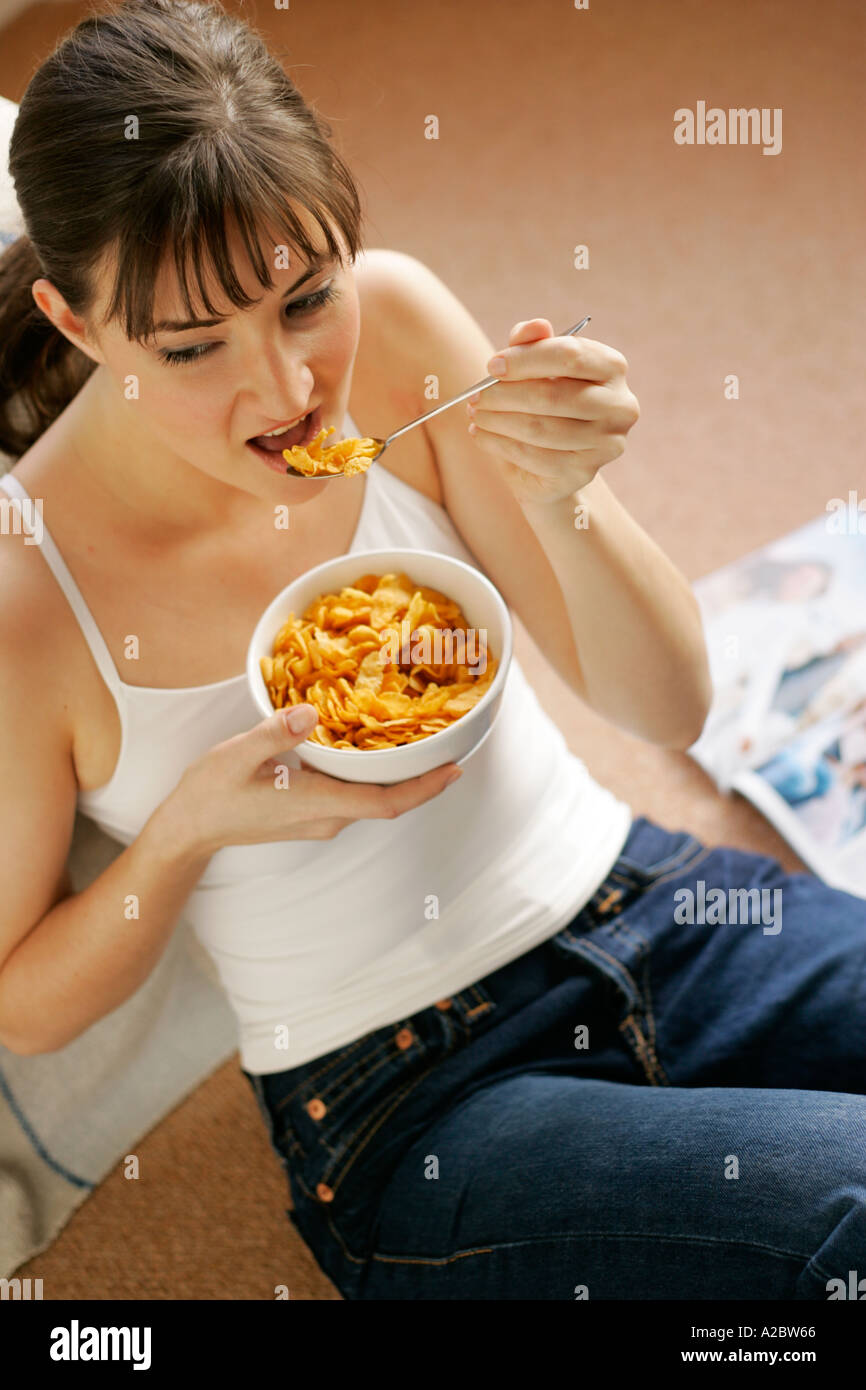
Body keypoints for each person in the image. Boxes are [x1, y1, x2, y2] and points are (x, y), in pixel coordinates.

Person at [0, 0, 863, 1302]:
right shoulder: (29, 590)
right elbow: (20, 1003)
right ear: (77, 326)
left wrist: (569, 501)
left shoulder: (402, 323)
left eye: (306, 297)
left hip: (650, 904)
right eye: (191, 347)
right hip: (404, 1098)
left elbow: (669, 706)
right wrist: (188, 828)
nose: (286, 389)